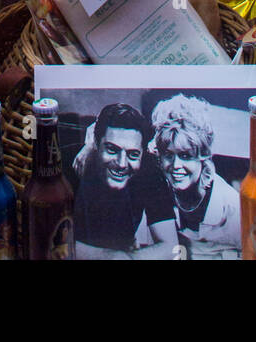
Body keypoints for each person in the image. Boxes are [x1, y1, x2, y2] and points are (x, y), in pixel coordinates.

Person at [72, 103, 179, 260]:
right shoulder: (73, 162)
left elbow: (171, 247)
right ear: (95, 143)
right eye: (112, 150)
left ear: (143, 153)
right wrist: (112, 258)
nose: (122, 164)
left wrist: (127, 258)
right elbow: (50, 243)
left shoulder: (149, 171)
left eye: (133, 154)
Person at [149, 93, 241, 258]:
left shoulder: (232, 206)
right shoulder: (155, 191)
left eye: (185, 156)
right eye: (168, 155)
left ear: (203, 156)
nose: (176, 166)